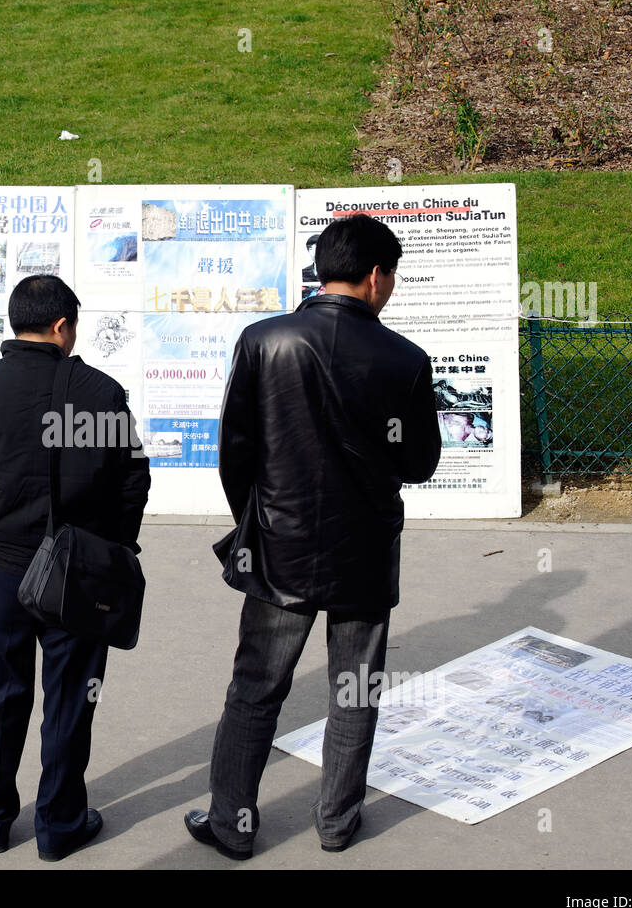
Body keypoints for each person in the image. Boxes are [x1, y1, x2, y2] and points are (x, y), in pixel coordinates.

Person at [186, 213, 441, 860]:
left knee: (255, 688)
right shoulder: (405, 360)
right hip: (365, 548)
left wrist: (257, 522)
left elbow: (235, 453)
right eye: (394, 277)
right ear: (377, 276)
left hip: (279, 546)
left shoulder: (263, 340)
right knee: (354, 691)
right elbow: (418, 464)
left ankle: (231, 823)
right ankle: (336, 823)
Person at [0, 274, 150, 862]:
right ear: (61, 327)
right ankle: (59, 825)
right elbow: (133, 481)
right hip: (78, 577)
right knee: (73, 698)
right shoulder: (102, 394)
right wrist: (115, 551)